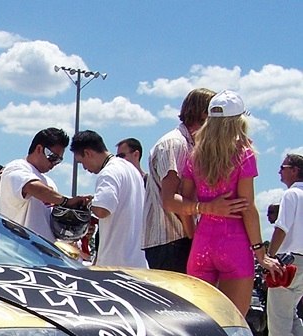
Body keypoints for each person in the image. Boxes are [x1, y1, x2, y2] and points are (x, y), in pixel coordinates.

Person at [181, 90, 280, 316]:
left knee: (199, 320)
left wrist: (193, 234)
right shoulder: (243, 155)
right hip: (234, 243)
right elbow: (248, 207)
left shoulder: (195, 155)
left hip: (203, 242)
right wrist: (260, 253)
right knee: (234, 323)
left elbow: (185, 202)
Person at [142, 88, 248, 272]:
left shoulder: (188, 144)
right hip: (171, 240)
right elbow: (170, 200)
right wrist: (206, 211)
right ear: (203, 114)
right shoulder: (175, 144)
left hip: (176, 239)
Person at [70, 130, 147, 268]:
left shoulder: (108, 173)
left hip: (116, 265)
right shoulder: (131, 169)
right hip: (138, 262)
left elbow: (102, 210)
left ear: (88, 153)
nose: (85, 168)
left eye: (82, 162)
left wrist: (86, 203)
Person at [0, 127, 90, 242]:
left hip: (43, 253)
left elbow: (53, 222)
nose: (54, 163)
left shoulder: (49, 182)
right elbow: (31, 187)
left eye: (58, 160)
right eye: (53, 157)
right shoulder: (16, 168)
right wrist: (66, 201)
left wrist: (77, 219)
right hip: (18, 252)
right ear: (39, 148)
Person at [265, 154, 303, 336]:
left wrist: (269, 256)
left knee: (278, 317)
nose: (279, 171)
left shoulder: (291, 195)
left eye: (283, 167)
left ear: (295, 171)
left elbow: (282, 228)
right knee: (292, 316)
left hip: (289, 263)